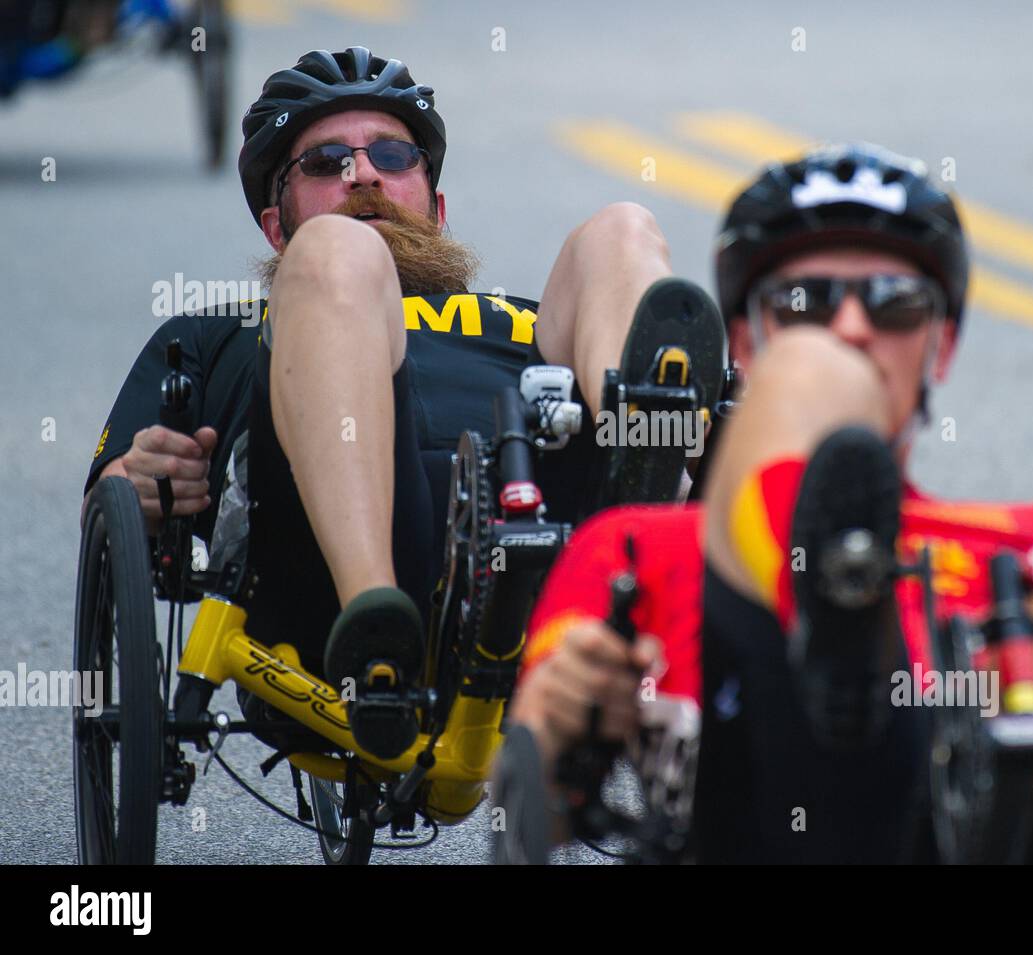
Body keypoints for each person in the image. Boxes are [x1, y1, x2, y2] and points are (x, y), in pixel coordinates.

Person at [507, 142, 1033, 863]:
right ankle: (837, 613)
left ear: (941, 344)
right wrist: (563, 711)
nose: (850, 328)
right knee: (810, 376)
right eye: (805, 303)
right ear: (743, 345)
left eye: (895, 304)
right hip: (782, 801)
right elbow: (534, 800)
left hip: (1012, 820)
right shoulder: (643, 543)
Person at [82, 47, 724, 759]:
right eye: (324, 163)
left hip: (554, 540)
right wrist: (139, 477)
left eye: (392, 154)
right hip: (326, 574)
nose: (363, 174)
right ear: (275, 227)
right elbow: (109, 501)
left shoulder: (531, 319)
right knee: (340, 251)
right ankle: (374, 621)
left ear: (436, 207)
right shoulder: (220, 333)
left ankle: (649, 498)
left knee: (622, 230)